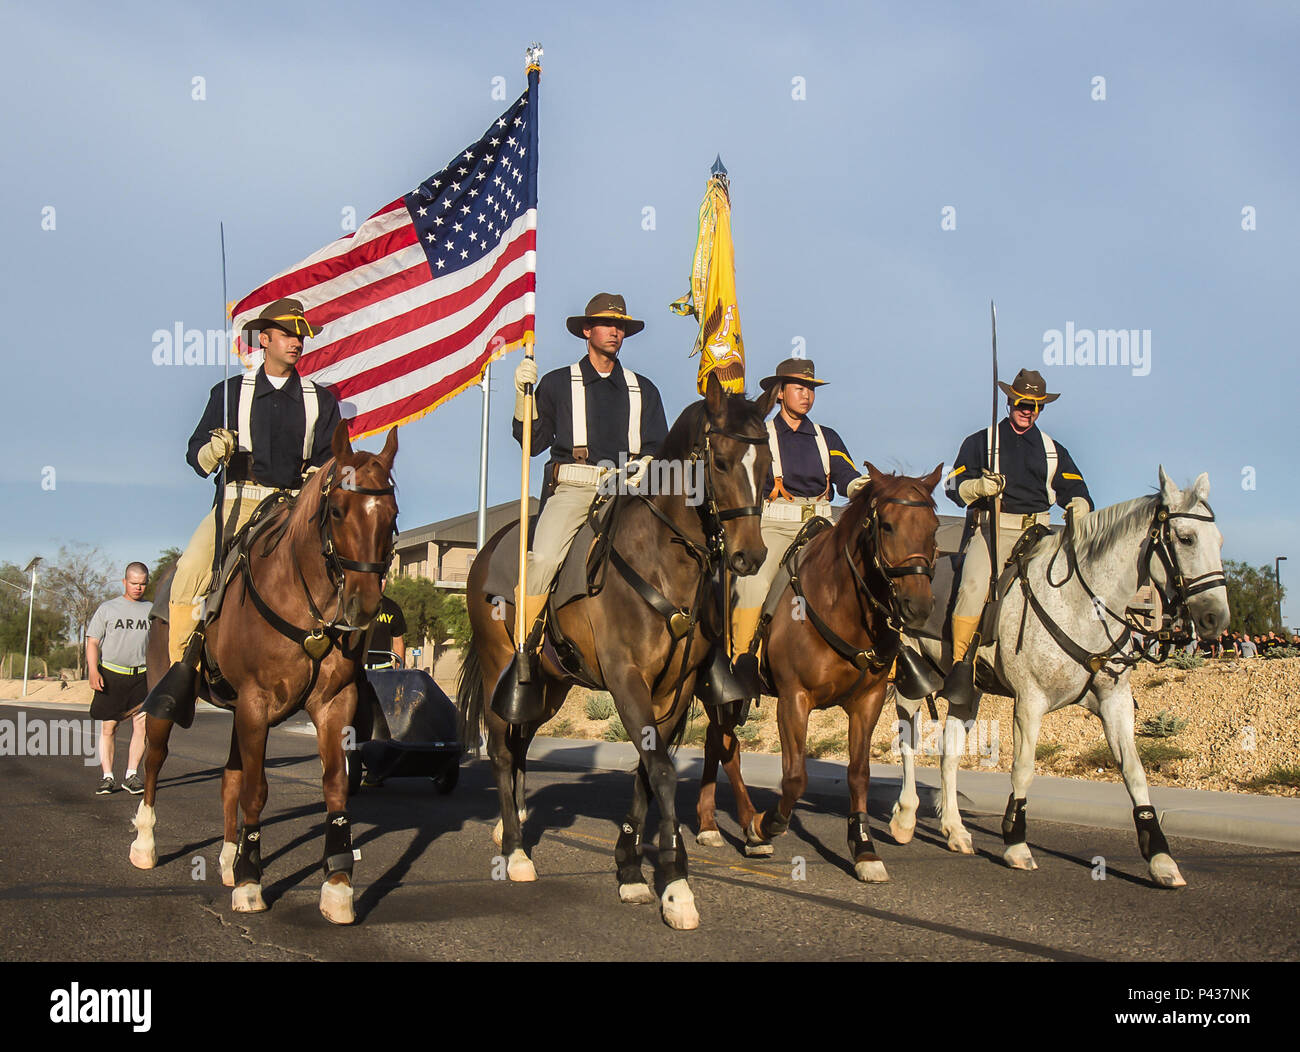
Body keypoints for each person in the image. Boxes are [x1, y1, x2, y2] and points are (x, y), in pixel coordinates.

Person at [143, 298, 342, 721]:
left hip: (292, 507)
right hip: (237, 501)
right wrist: (214, 450)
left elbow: (330, 462)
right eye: (288, 335)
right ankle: (181, 673)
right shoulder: (230, 392)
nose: (296, 343)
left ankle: (346, 677)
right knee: (189, 575)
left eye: (301, 336)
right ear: (264, 339)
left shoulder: (320, 401)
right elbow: (194, 455)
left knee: (344, 573)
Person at [510, 293, 668, 647]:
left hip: (630, 492)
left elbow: (659, 447)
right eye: (607, 324)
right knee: (546, 558)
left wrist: (646, 464)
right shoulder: (555, 383)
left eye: (621, 326)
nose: (615, 332)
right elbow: (531, 444)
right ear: (587, 330)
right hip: (575, 490)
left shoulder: (644, 389)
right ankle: (524, 648)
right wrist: (523, 395)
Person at [943, 369, 1092, 691]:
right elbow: (951, 485)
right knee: (972, 585)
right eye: (1023, 403)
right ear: (1010, 401)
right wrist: (978, 487)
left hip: (1041, 533)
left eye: (1036, 406)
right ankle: (959, 665)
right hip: (996, 531)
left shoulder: (1054, 451)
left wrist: (1079, 502)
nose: (1028, 411)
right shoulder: (980, 442)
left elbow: (1074, 485)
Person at [732, 358, 868, 670]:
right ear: (779, 393)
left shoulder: (826, 436)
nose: (806, 394)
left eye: (810, 388)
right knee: (753, 579)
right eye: (799, 387)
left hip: (821, 526)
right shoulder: (760, 434)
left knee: (864, 571)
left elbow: (846, 475)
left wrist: (866, 486)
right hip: (776, 524)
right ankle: (741, 658)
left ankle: (879, 656)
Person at [86, 563, 152, 795]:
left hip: (142, 676)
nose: (138, 587)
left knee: (142, 725)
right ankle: (107, 777)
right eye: (134, 583)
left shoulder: (152, 610)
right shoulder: (107, 609)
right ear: (124, 582)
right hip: (112, 675)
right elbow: (92, 641)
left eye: (143, 583)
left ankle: (132, 776)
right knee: (109, 727)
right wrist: (93, 671)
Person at [366, 594, 407, 669]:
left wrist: (399, 672)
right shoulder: (351, 603)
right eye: (378, 581)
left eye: (383, 581)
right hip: (356, 669)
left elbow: (398, 642)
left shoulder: (393, 608)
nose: (381, 583)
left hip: (384, 669)